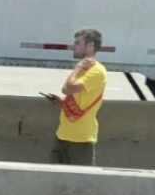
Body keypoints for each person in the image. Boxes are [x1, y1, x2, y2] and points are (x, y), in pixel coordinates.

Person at [46, 29, 108, 166]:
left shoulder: (97, 71)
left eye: (77, 43)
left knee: (79, 185)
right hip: (62, 136)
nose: (74, 46)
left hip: (81, 140)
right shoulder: (83, 69)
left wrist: (79, 66)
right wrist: (62, 102)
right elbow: (78, 98)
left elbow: (66, 89)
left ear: (90, 45)